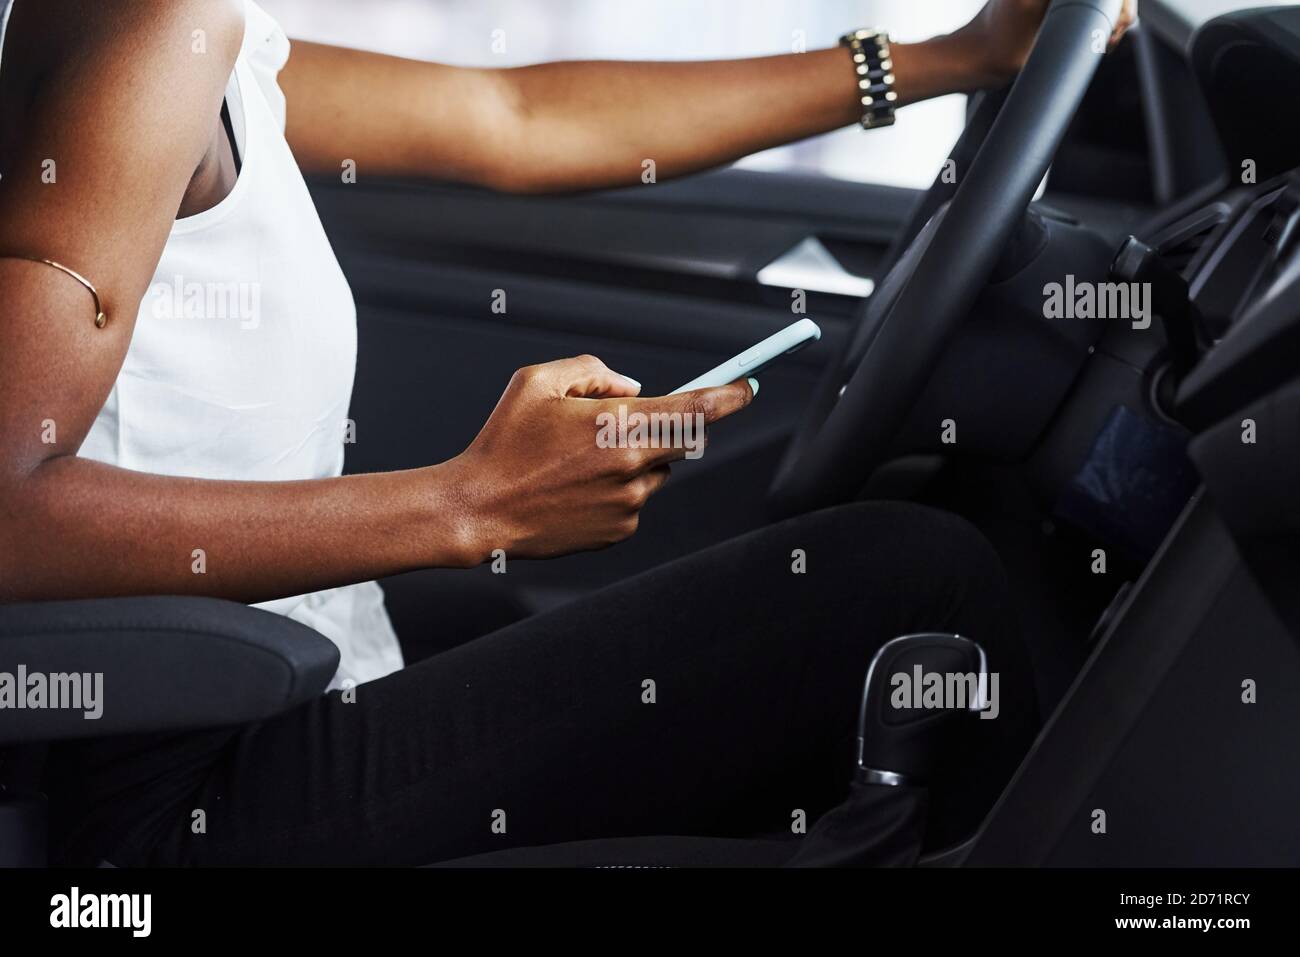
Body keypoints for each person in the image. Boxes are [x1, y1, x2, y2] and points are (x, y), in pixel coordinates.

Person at [0, 0, 1135, 866]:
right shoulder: (142, 29)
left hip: (268, 678)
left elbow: (515, 122)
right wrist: (469, 503)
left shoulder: (200, 37)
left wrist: (947, 60)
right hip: (175, 779)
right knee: (914, 581)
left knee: (520, 620)